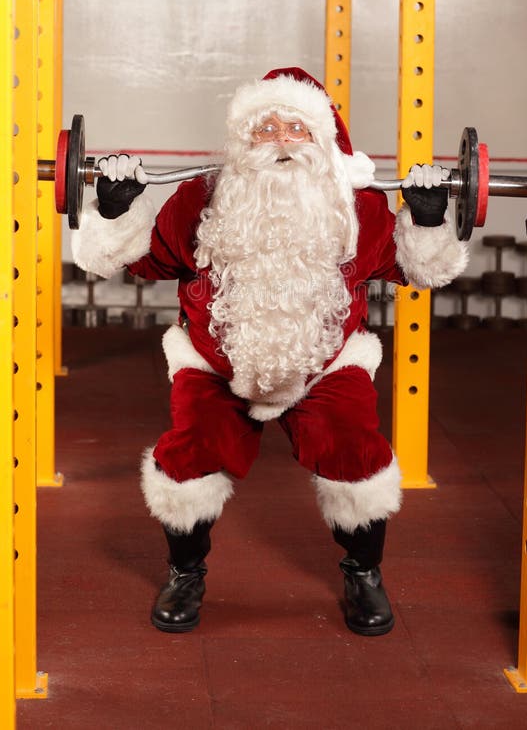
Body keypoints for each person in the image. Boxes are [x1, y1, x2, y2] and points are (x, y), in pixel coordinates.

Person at [71, 66, 468, 637]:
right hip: (215, 361)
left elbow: (416, 267)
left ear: (321, 141)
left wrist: (428, 220)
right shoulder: (199, 200)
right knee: (190, 454)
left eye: (296, 129)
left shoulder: (360, 209)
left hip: (325, 364)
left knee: (354, 450)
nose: (281, 141)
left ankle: (364, 572)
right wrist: (113, 211)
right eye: (266, 128)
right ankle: (186, 573)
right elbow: (140, 262)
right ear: (242, 141)